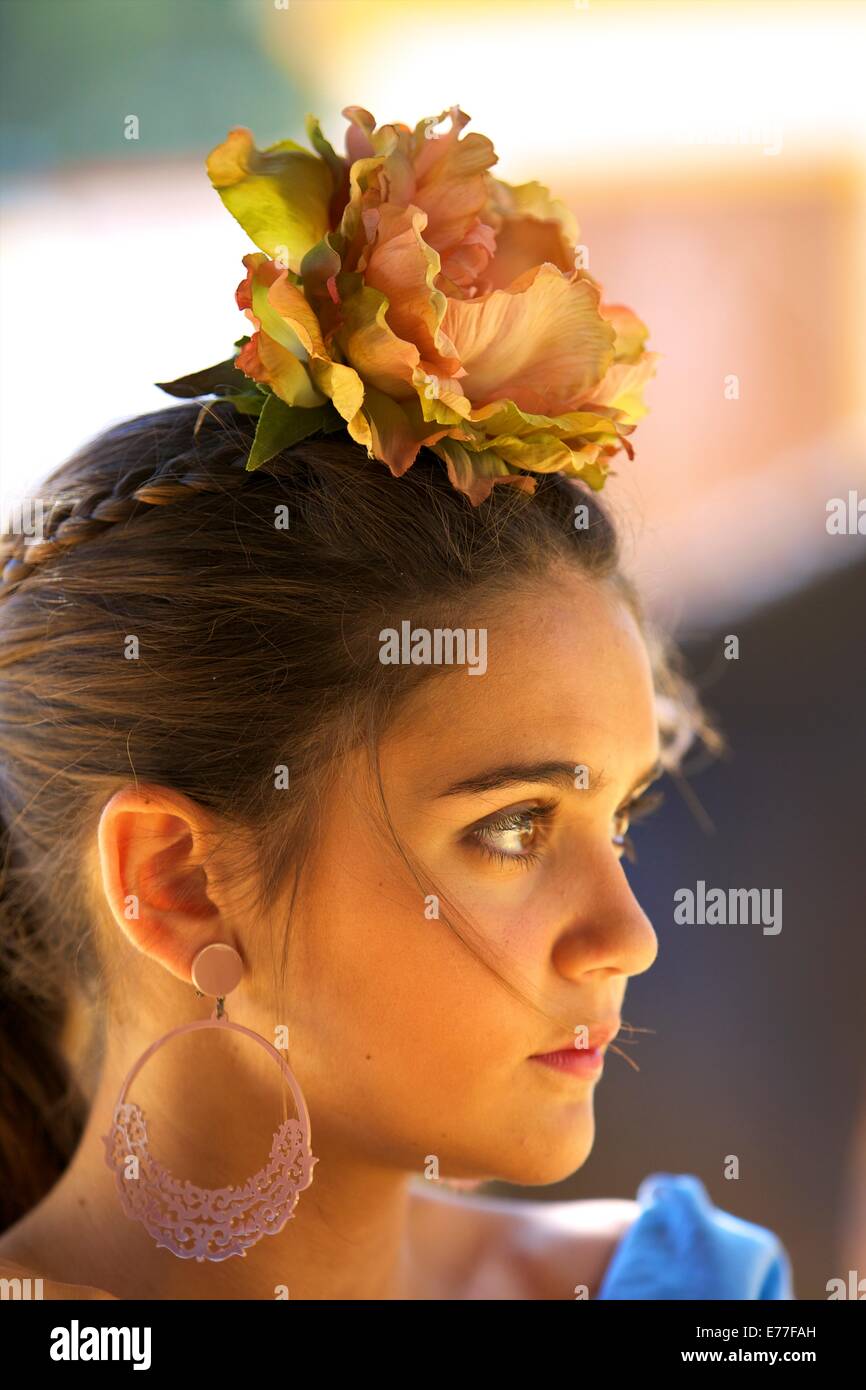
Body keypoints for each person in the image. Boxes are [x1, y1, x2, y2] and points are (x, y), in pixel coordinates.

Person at [0, 102, 794, 1300]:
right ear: (178, 879)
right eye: (514, 826)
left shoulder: (701, 1293)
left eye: (619, 818)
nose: (628, 935)